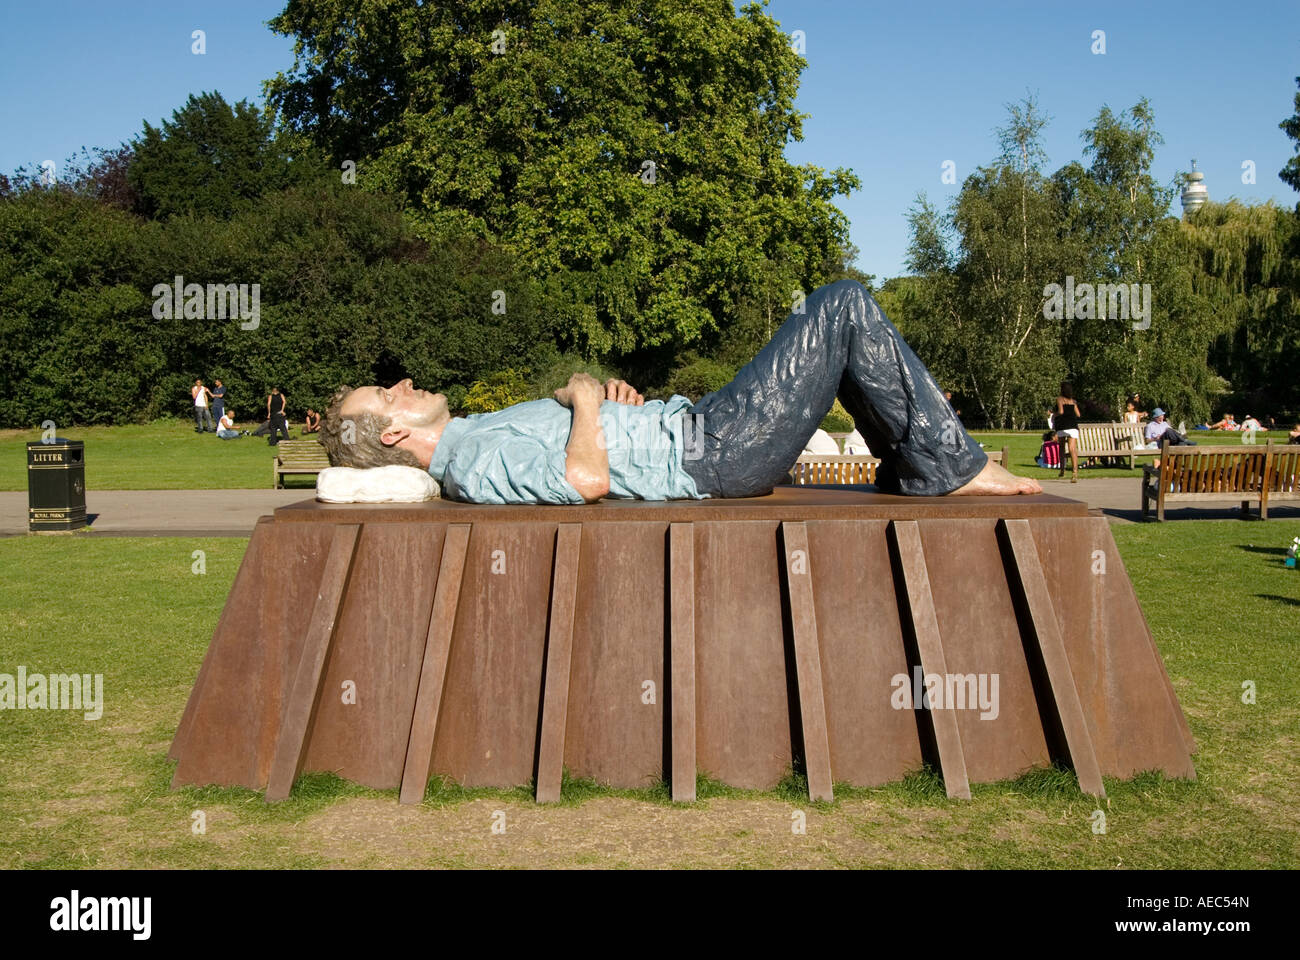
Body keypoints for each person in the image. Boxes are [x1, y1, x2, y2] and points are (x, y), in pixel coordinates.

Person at [318, 279, 1042, 503]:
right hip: (711, 453)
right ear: (391, 436)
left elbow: (591, 455)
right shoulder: (470, 462)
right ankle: (951, 467)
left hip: (694, 434)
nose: (404, 384)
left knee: (839, 323)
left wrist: (612, 410)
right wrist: (587, 402)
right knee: (842, 307)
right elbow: (584, 479)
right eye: (389, 393)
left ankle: (930, 465)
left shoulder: (476, 437)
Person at [1053, 382, 1083, 483]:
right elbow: (1078, 414)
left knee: (1061, 448)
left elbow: (1061, 412)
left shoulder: (1060, 399)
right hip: (1073, 426)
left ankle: (1062, 470)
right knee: (1072, 449)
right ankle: (1075, 472)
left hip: (1062, 426)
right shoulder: (1073, 401)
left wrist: (1054, 414)